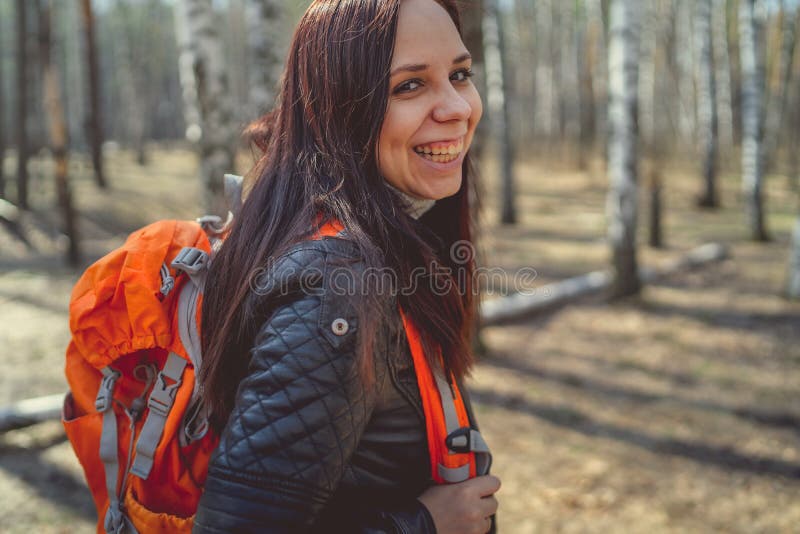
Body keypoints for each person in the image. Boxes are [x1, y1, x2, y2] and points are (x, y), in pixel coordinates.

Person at [192, 0, 500, 532]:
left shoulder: (374, 237)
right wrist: (422, 524)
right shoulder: (337, 291)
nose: (456, 107)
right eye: (409, 86)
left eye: (459, 74)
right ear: (339, 109)